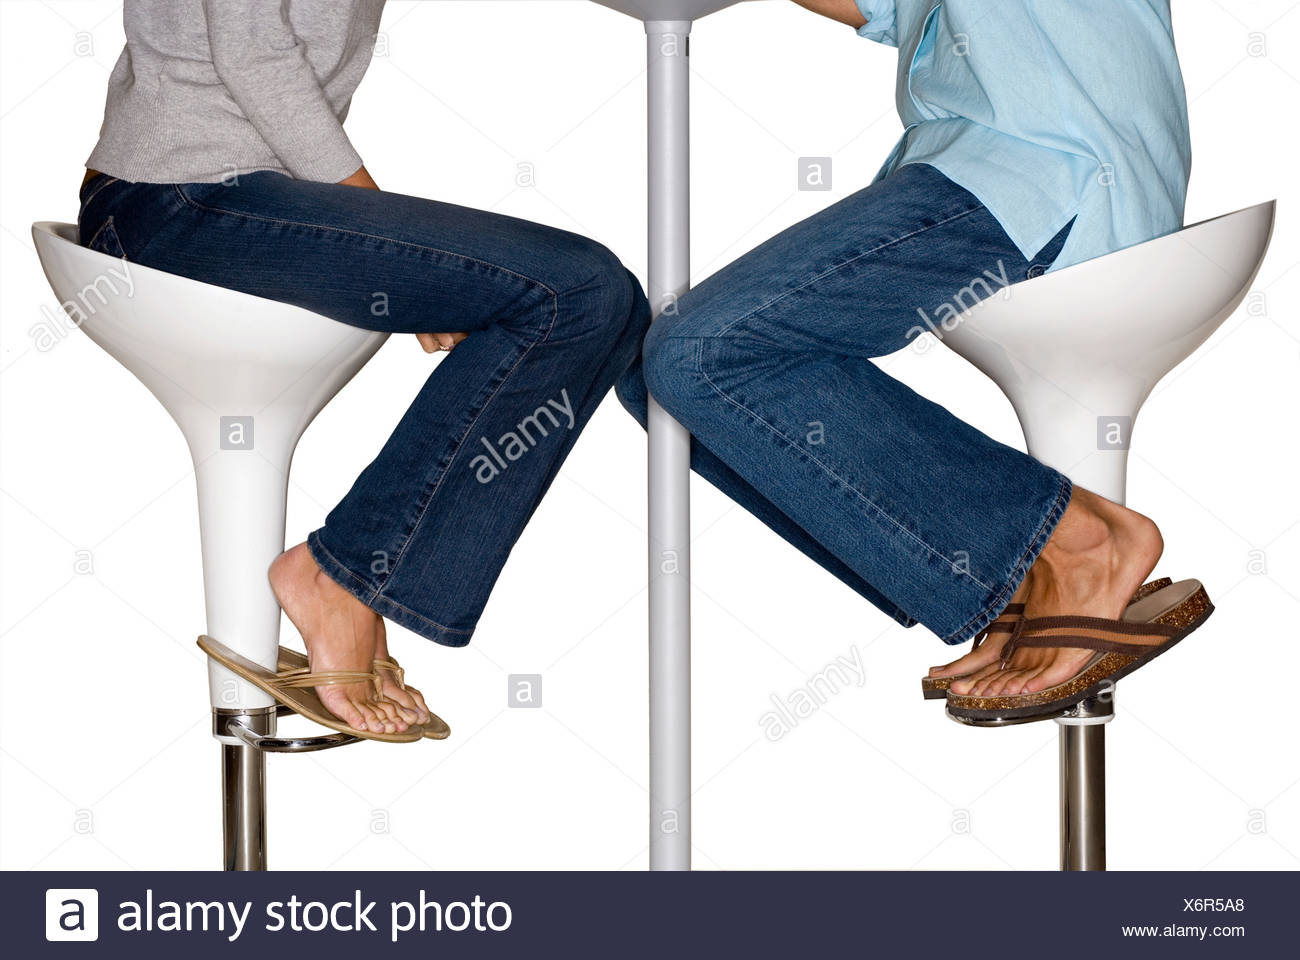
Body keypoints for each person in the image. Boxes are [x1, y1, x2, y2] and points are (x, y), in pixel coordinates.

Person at [618, 0, 1209, 721]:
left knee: (704, 355)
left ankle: (1080, 544)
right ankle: (1016, 575)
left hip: (1054, 163)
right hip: (969, 165)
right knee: (659, 375)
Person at [79, 0, 650, 737]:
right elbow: (250, 53)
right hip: (175, 197)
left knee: (607, 305)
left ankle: (356, 575)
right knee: (579, 292)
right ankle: (342, 577)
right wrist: (399, 252)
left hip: (247, 193)